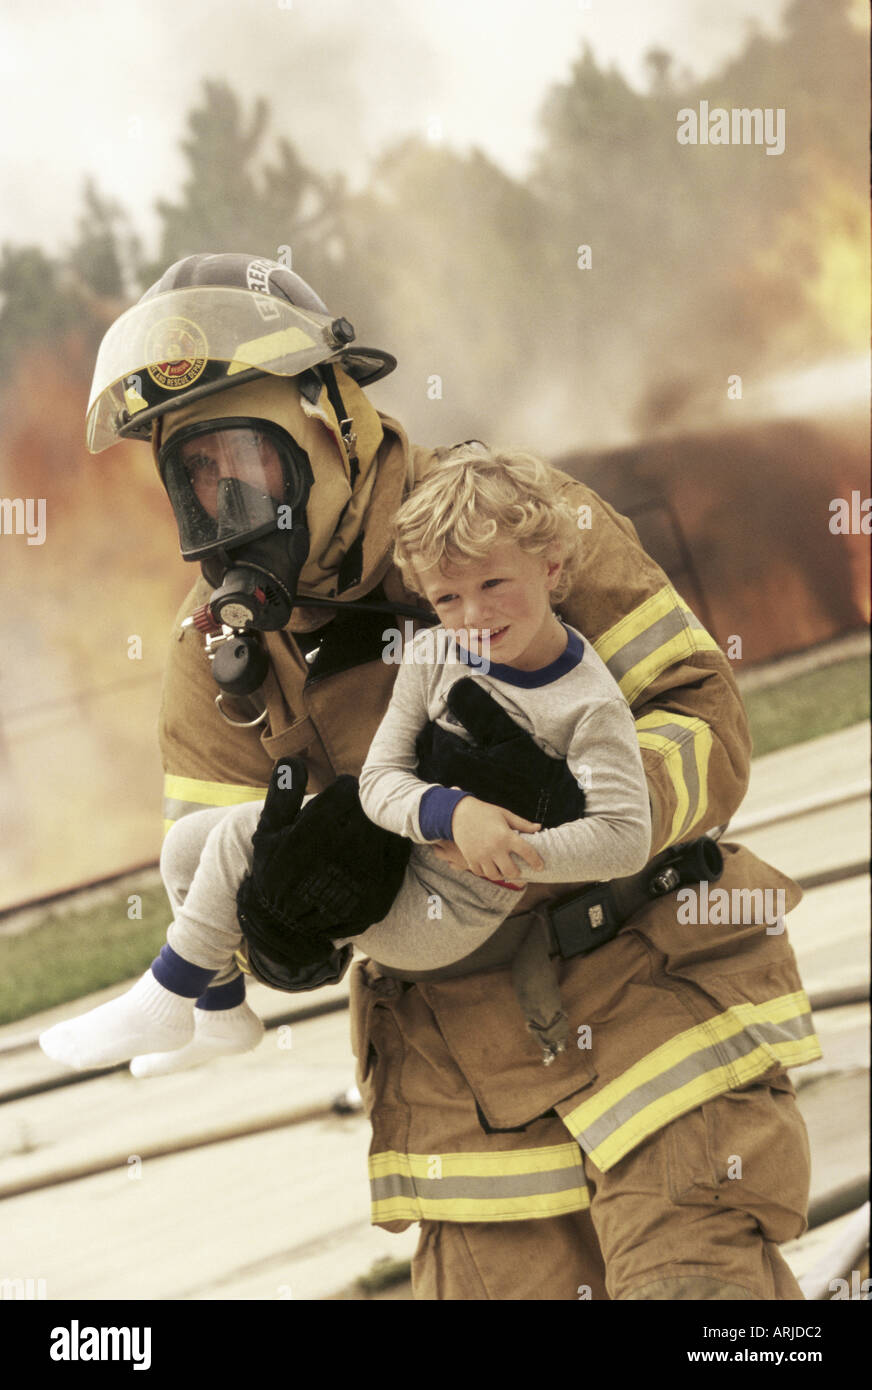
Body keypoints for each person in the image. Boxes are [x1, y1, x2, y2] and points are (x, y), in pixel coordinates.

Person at [65, 252, 822, 1299]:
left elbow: (704, 718)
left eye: (242, 457)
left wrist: (585, 805)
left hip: (645, 1006)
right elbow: (221, 892)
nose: (223, 501)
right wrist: (284, 926)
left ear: (332, 413)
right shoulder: (215, 653)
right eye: (192, 475)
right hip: (461, 1097)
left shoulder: (507, 516)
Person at [39, 445, 652, 1073]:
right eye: (446, 599)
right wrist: (451, 813)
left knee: (237, 839)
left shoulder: (587, 706)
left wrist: (509, 850)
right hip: (390, 845)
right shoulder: (433, 654)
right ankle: (219, 1011)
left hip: (437, 918)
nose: (473, 617)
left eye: (493, 584)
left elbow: (626, 840)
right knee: (189, 843)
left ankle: (166, 993)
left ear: (551, 567)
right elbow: (381, 781)